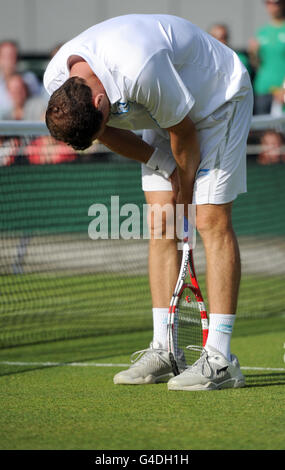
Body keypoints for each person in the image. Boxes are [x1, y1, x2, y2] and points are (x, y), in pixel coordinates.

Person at [43, 14, 253, 391]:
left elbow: (184, 131)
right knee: (161, 222)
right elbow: (105, 132)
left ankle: (221, 359)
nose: (102, 133)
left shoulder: (139, 67)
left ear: (100, 99)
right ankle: (166, 349)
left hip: (219, 99)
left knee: (207, 219)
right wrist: (162, 166)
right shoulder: (59, 84)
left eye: (102, 122)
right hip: (161, 109)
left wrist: (185, 189)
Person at [248, 0, 285, 115]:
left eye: (276, 2)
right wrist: (253, 54)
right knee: (262, 130)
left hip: (282, 90)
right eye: (268, 2)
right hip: (263, 88)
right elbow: (256, 64)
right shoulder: (261, 32)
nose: (272, 6)